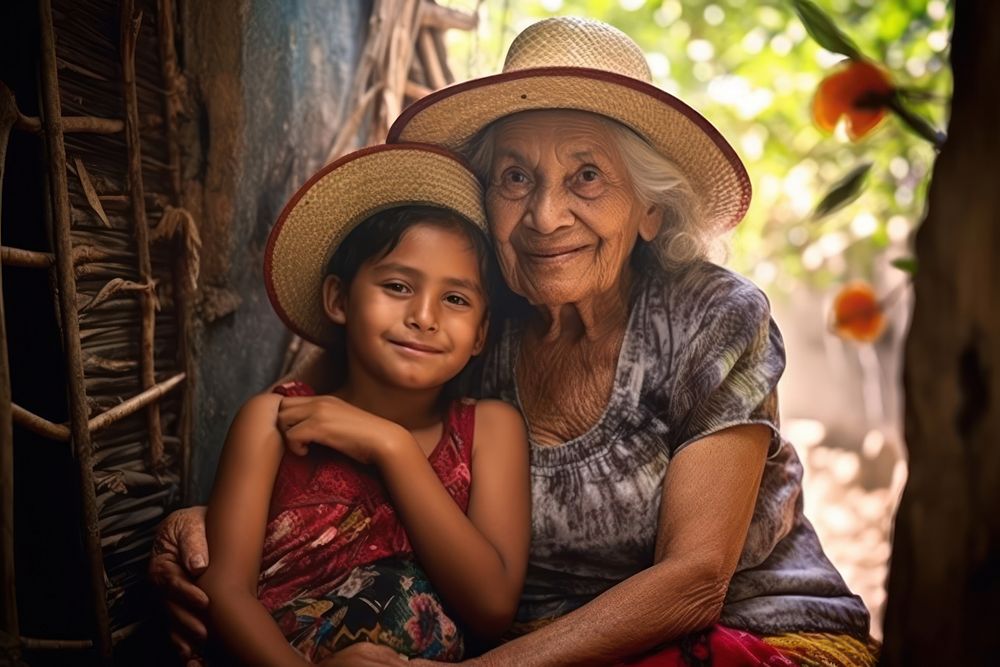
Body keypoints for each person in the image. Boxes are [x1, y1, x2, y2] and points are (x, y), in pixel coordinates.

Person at [151, 17, 878, 666]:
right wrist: (205, 530)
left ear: (650, 209)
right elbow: (314, 407)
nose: (545, 214)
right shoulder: (470, 309)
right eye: (515, 177)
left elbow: (694, 583)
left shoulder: (713, 318)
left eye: (586, 175)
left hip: (750, 633)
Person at [193, 143, 530, 665]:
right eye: (397, 286)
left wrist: (391, 446)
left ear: (482, 333)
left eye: (456, 299)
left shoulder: (490, 430)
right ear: (338, 299)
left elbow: (491, 606)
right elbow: (226, 591)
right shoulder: (273, 421)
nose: (424, 315)